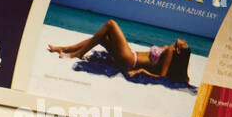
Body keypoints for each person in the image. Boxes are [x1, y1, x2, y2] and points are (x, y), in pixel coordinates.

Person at [47, 19, 191, 83]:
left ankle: (76, 54)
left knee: (111, 24)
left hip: (129, 59)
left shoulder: (171, 52)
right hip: (130, 55)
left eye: (185, 45)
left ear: (179, 51)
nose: (184, 41)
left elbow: (161, 76)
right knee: (103, 37)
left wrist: (141, 72)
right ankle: (64, 49)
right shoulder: (170, 49)